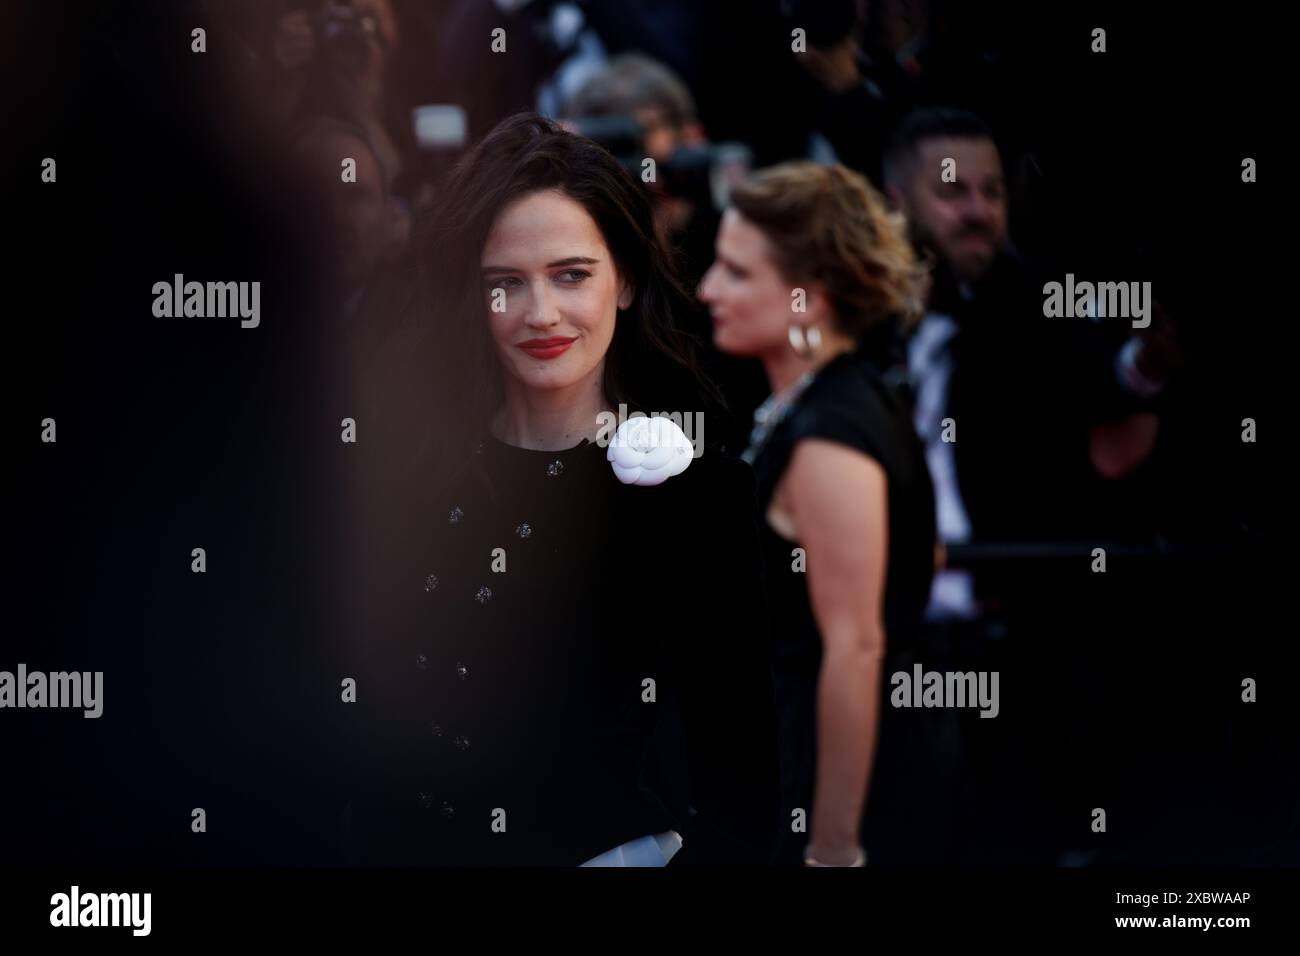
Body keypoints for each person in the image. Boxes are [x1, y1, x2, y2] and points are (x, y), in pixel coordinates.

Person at [341, 112, 781, 866]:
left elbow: (742, 777)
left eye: (571, 275)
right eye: (505, 284)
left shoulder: (697, 495)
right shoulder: (405, 479)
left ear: (627, 280)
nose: (540, 313)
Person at [698, 161, 950, 866]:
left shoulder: (832, 434)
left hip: (825, 780)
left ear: (806, 300)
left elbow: (857, 646)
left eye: (737, 273)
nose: (708, 290)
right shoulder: (821, 403)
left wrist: (833, 846)